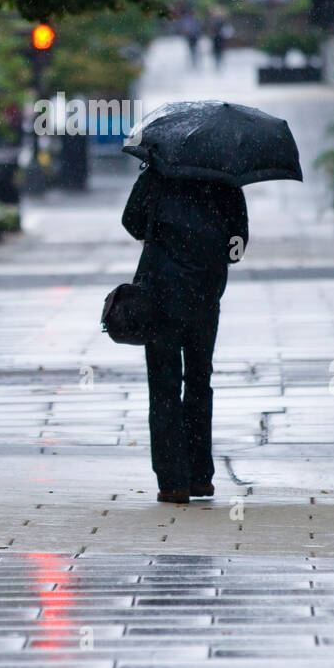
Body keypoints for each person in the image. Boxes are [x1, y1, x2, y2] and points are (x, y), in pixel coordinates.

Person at [122, 163, 249, 503]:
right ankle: (200, 476)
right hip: (205, 295)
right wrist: (213, 253)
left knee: (164, 385)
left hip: (160, 294)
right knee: (198, 380)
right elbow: (238, 244)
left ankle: (172, 481)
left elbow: (131, 223)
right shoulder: (225, 181)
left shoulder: (156, 175)